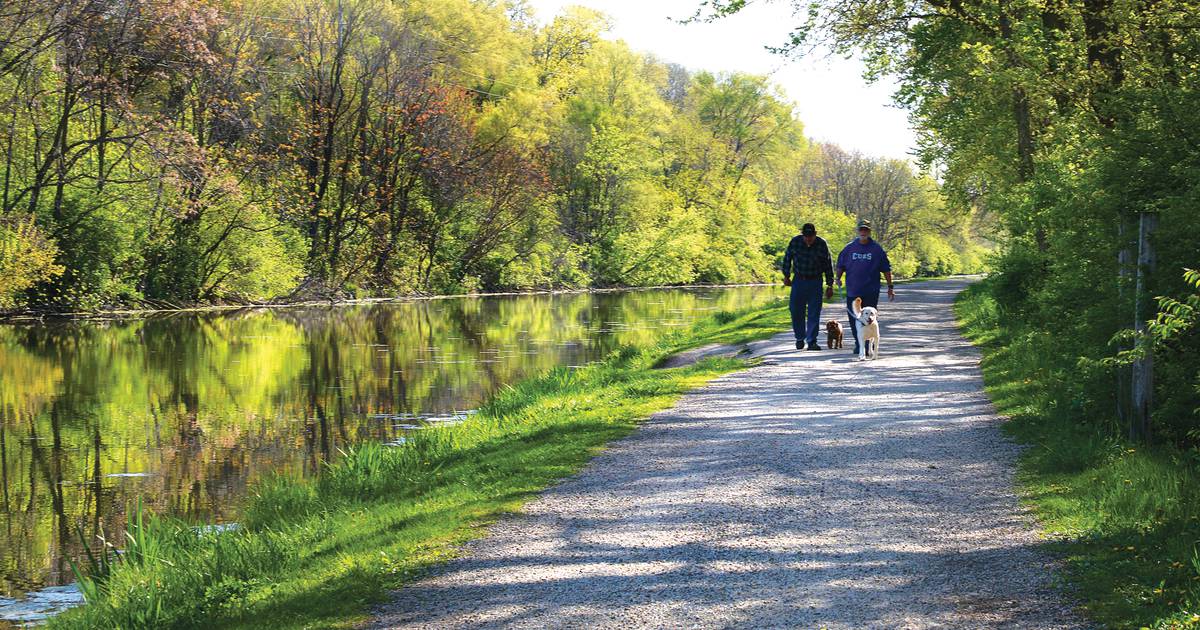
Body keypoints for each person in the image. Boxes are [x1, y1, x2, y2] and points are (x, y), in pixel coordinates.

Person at [836, 219, 895, 355]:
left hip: (871, 290)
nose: (863, 232)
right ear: (858, 231)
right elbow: (840, 266)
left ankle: (867, 345)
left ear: (869, 231)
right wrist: (837, 278)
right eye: (861, 229)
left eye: (866, 230)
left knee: (869, 318)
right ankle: (859, 343)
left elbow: (886, 269)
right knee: (855, 318)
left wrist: (890, 286)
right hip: (853, 289)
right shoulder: (849, 248)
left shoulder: (876, 249)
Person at [782, 223, 835, 350]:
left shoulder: (822, 244)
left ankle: (812, 341)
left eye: (810, 236)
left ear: (815, 234)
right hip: (799, 280)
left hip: (815, 281)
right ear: (802, 234)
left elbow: (828, 264)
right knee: (795, 310)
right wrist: (786, 275)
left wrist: (829, 284)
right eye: (806, 236)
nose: (808, 239)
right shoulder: (795, 242)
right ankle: (800, 338)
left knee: (814, 312)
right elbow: (787, 258)